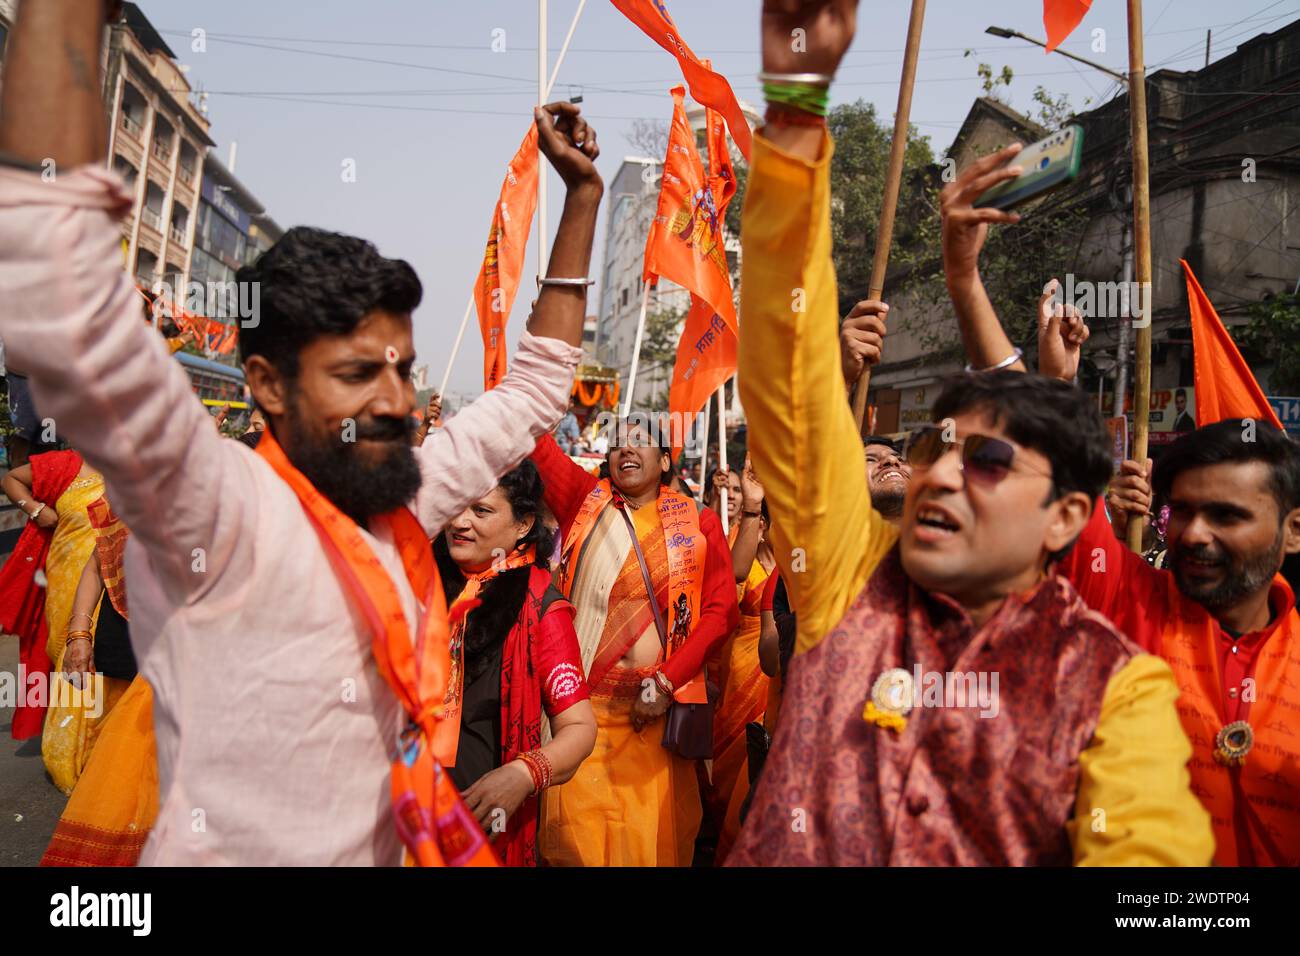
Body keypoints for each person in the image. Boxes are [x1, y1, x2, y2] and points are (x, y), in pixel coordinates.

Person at [0, 0, 602, 865]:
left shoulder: (408, 492)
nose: (393, 397)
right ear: (267, 385)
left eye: (397, 366)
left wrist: (580, 195)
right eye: (357, 374)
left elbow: (541, 381)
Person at [729, 0, 1211, 866]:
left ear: (1066, 518)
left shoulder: (1114, 689)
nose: (941, 475)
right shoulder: (846, 577)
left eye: (987, 460)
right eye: (938, 448)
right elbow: (789, 375)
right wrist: (797, 102)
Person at [942, 141, 1300, 867]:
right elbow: (1042, 457)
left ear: (1292, 531)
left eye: (1228, 516)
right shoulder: (1128, 602)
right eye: (1183, 509)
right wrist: (963, 276)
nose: (1194, 532)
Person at [529, 415, 739, 865]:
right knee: (577, 846)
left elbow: (721, 614)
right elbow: (536, 443)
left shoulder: (698, 522)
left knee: (647, 845)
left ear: (665, 461)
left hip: (654, 717)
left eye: (641, 442)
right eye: (618, 443)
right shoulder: (585, 500)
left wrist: (666, 683)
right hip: (580, 717)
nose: (626, 450)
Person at [433, 461, 597, 866]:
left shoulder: (540, 606)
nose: (460, 521)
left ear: (523, 525)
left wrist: (525, 775)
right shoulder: (417, 577)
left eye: (481, 511)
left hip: (482, 823)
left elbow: (579, 727)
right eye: (457, 504)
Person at [707, 454, 775, 863]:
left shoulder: (795, 565)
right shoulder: (742, 544)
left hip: (778, 684)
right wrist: (749, 504)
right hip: (738, 679)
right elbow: (733, 575)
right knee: (729, 777)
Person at [0, 449, 90, 740]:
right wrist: (37, 510)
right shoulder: (68, 464)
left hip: (117, 587)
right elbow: (11, 480)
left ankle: (92, 739)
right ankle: (67, 738)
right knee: (69, 656)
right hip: (66, 586)